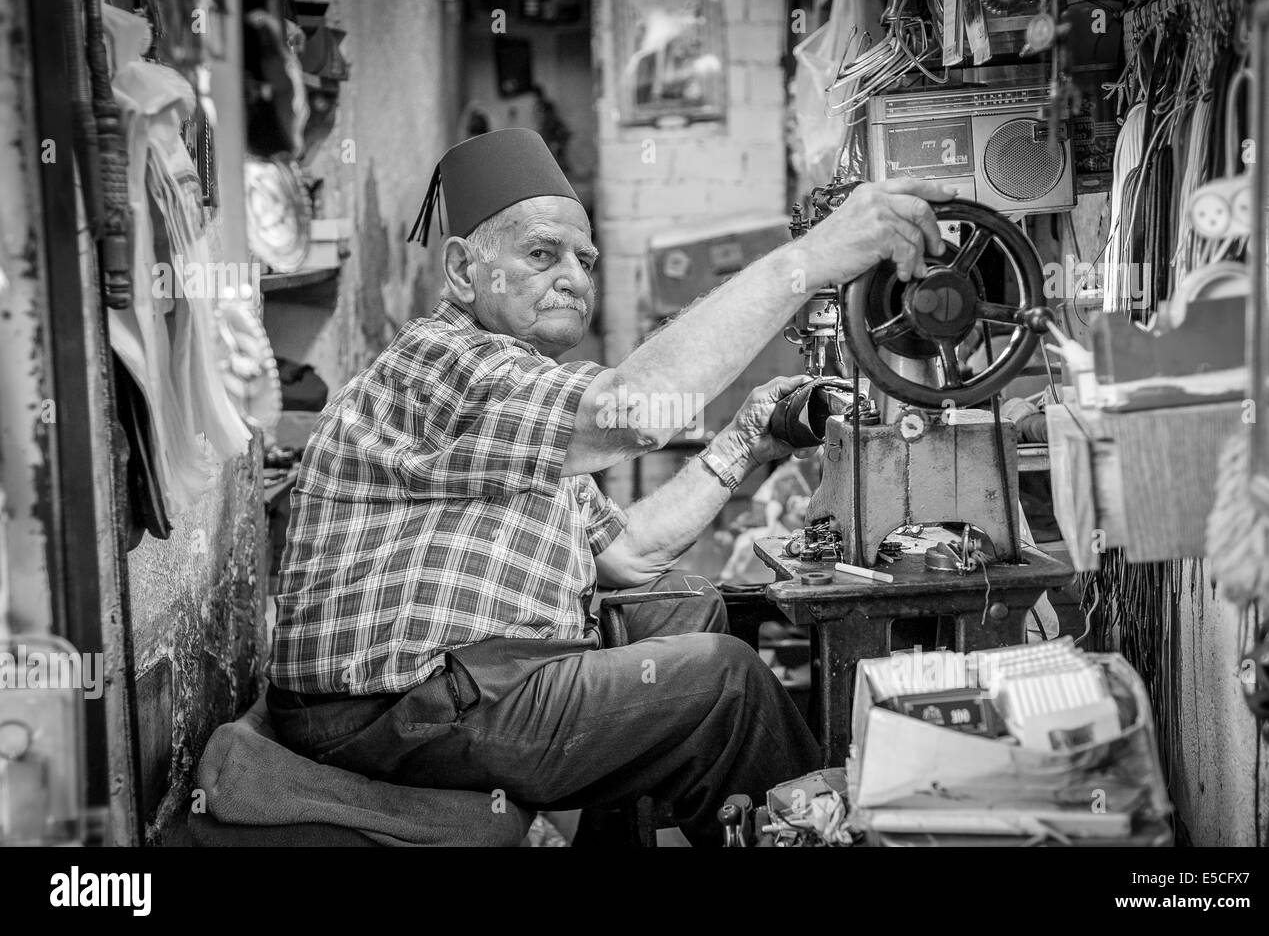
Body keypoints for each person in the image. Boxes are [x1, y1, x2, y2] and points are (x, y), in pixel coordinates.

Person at [266, 128, 952, 845]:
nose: (573, 275)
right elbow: (640, 407)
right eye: (541, 253)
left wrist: (752, 435)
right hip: (383, 708)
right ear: (465, 271)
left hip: (458, 683)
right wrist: (811, 260)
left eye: (584, 259)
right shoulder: (443, 362)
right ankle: (822, 830)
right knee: (725, 686)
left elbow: (627, 555)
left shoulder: (523, 401)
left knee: (686, 608)